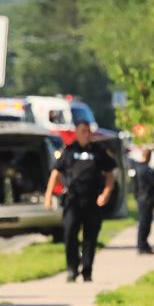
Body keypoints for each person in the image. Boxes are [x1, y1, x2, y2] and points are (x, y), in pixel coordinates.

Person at [44, 121, 117, 282]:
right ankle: (72, 268)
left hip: (92, 200)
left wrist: (106, 193)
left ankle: (87, 270)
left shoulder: (98, 151)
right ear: (76, 133)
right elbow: (56, 173)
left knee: (90, 237)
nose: (86, 134)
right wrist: (48, 196)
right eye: (83, 131)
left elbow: (110, 174)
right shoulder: (70, 151)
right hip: (73, 200)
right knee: (70, 234)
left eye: (88, 131)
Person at [133, 148, 154, 254]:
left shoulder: (139, 168)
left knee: (144, 222)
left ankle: (143, 244)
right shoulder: (145, 169)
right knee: (144, 223)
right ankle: (142, 245)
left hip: (143, 198)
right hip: (146, 199)